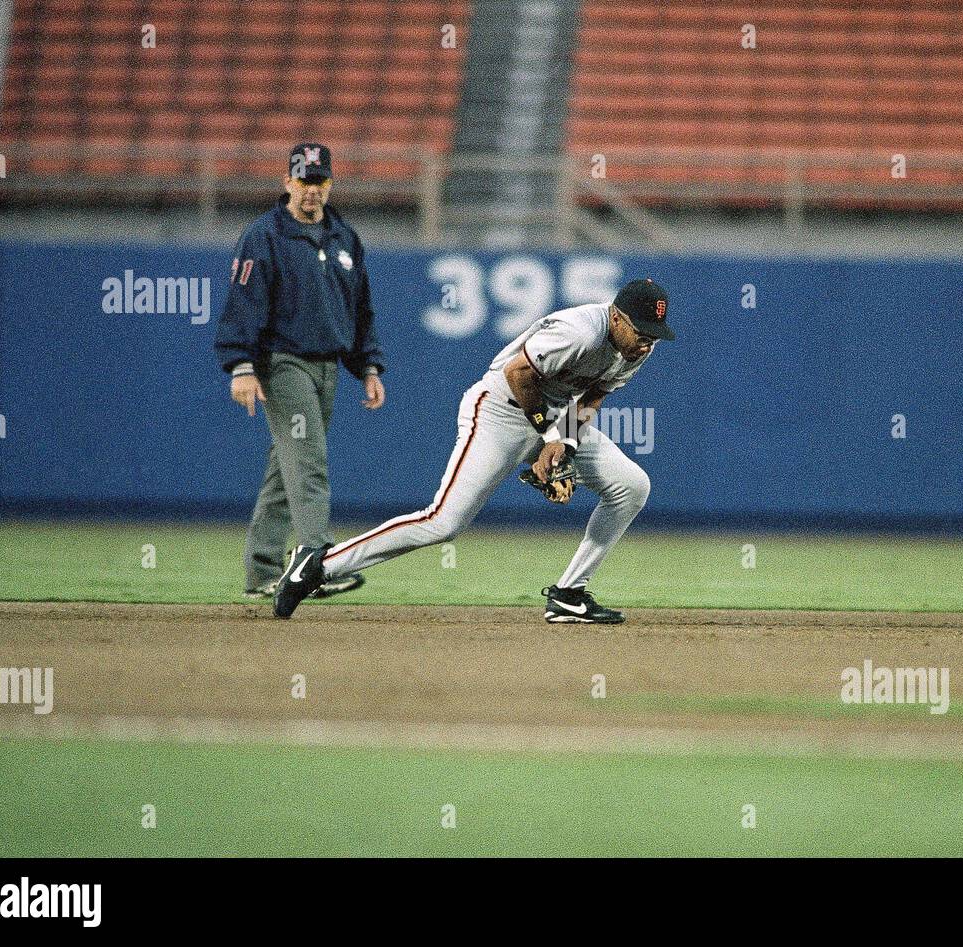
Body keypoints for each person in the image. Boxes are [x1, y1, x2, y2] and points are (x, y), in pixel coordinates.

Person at [271, 279, 676, 622]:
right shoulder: (580, 331)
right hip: (499, 409)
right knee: (444, 521)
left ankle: (569, 594)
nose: (645, 344)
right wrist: (546, 436)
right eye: (641, 332)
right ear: (617, 317)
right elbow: (517, 374)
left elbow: (593, 395)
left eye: (653, 334)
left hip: (553, 416)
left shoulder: (637, 346)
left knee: (631, 486)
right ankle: (317, 565)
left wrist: (562, 448)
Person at [215, 142, 385, 600]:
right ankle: (316, 560)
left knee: (285, 466)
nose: (312, 191)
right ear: (287, 181)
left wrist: (367, 364)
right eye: (304, 181)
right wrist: (241, 365)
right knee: (308, 461)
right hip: (282, 363)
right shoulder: (264, 236)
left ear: (330, 184)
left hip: (328, 366)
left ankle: (263, 571)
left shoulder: (344, 237)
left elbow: (360, 308)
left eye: (320, 182)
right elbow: (243, 303)